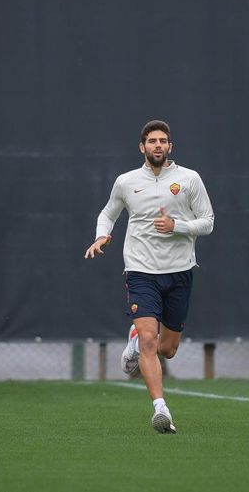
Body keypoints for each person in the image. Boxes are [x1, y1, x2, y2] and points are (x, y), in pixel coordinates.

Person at [84, 120, 214, 434]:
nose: (158, 145)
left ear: (170, 146)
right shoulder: (126, 181)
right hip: (140, 270)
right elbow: (108, 213)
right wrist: (101, 236)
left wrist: (177, 226)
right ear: (142, 147)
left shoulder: (189, 179)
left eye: (163, 141)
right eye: (152, 141)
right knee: (148, 340)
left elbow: (208, 221)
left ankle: (134, 340)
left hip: (179, 271)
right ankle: (160, 408)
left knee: (167, 348)